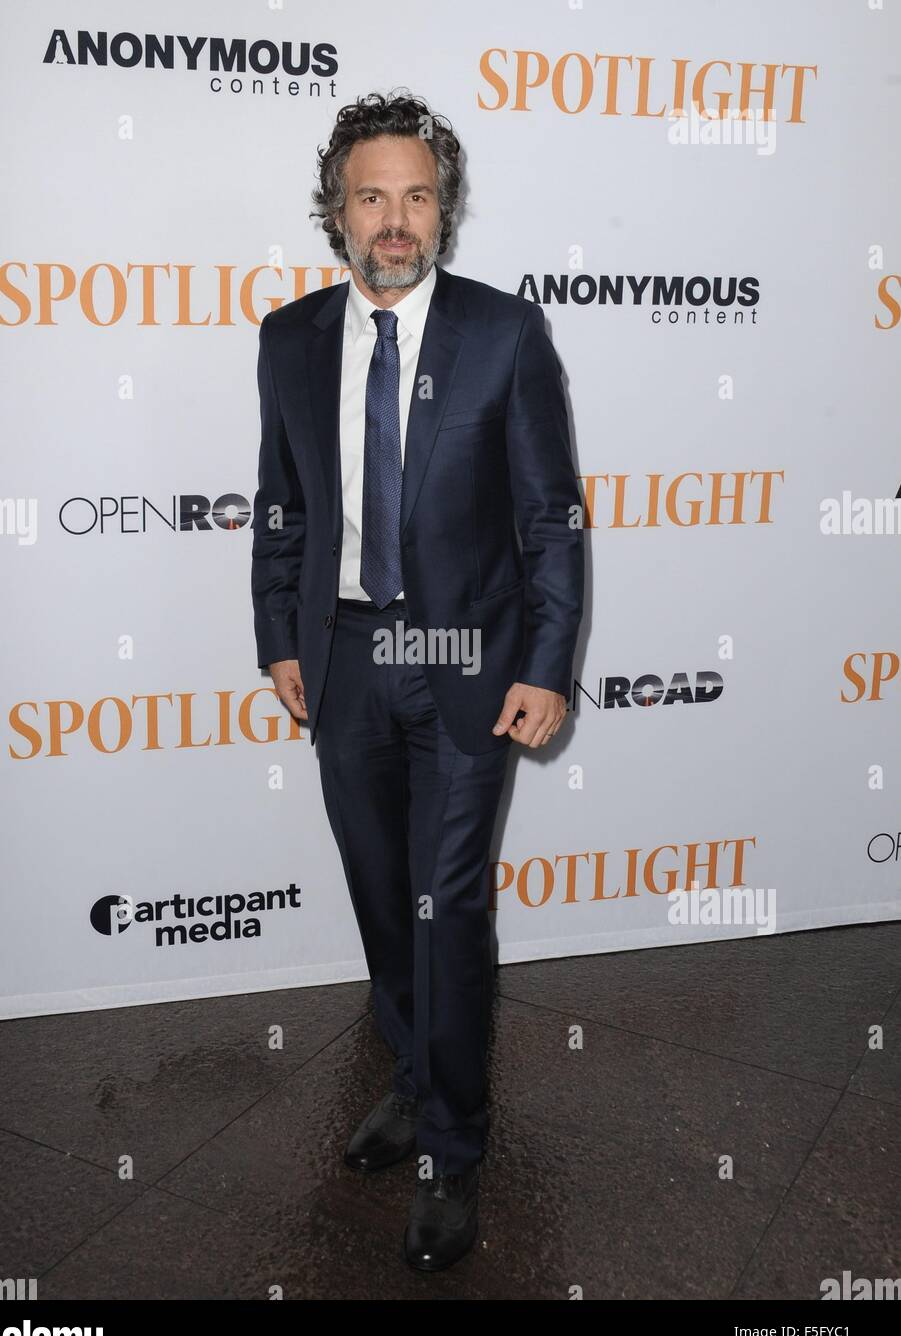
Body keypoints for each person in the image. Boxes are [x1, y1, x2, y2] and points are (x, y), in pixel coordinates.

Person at [251, 89, 584, 1272]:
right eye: (370, 196)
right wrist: (278, 636)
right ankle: (412, 1066)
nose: (394, 220)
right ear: (335, 210)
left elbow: (549, 520)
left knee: (449, 902)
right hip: (343, 661)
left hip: (463, 669)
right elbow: (280, 507)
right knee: (384, 894)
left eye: (417, 195)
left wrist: (547, 665)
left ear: (445, 206)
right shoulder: (288, 339)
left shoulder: (502, 334)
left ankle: (450, 1142)